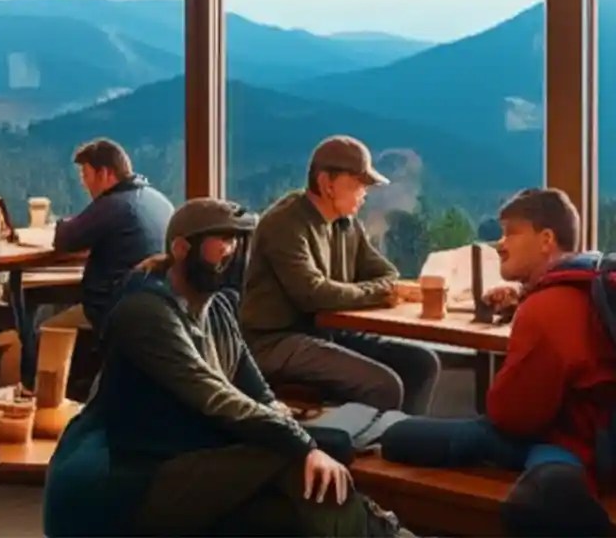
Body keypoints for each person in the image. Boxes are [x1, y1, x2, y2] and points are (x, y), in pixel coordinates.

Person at [46, 198, 406, 536]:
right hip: (139, 475)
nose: (231, 251)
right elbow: (216, 398)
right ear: (182, 248)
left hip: (202, 461)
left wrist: (294, 429)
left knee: (301, 505)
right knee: (291, 456)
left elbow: (257, 391)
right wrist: (304, 445)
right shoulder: (145, 312)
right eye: (222, 240)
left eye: (236, 241)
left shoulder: (218, 309)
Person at [379, 188, 614, 536]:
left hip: (578, 445)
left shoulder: (547, 309)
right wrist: (522, 298)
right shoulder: (593, 280)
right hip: (599, 431)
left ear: (546, 239)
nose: (500, 244)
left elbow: (511, 416)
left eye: (511, 233)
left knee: (404, 437)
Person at [240, 135, 439, 414]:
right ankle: (360, 450)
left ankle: (402, 443)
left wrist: (375, 290)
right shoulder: (284, 223)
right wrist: (381, 292)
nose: (364, 193)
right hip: (274, 342)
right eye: (357, 184)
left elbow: (386, 273)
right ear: (326, 184)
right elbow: (314, 295)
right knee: (383, 385)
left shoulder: (346, 223)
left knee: (421, 363)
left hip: (325, 333)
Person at [49, 138, 174, 332]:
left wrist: (61, 223)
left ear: (105, 173)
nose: (84, 184)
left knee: (47, 330)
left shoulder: (113, 204)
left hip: (113, 312)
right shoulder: (159, 200)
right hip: (159, 310)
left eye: (86, 175)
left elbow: (65, 239)